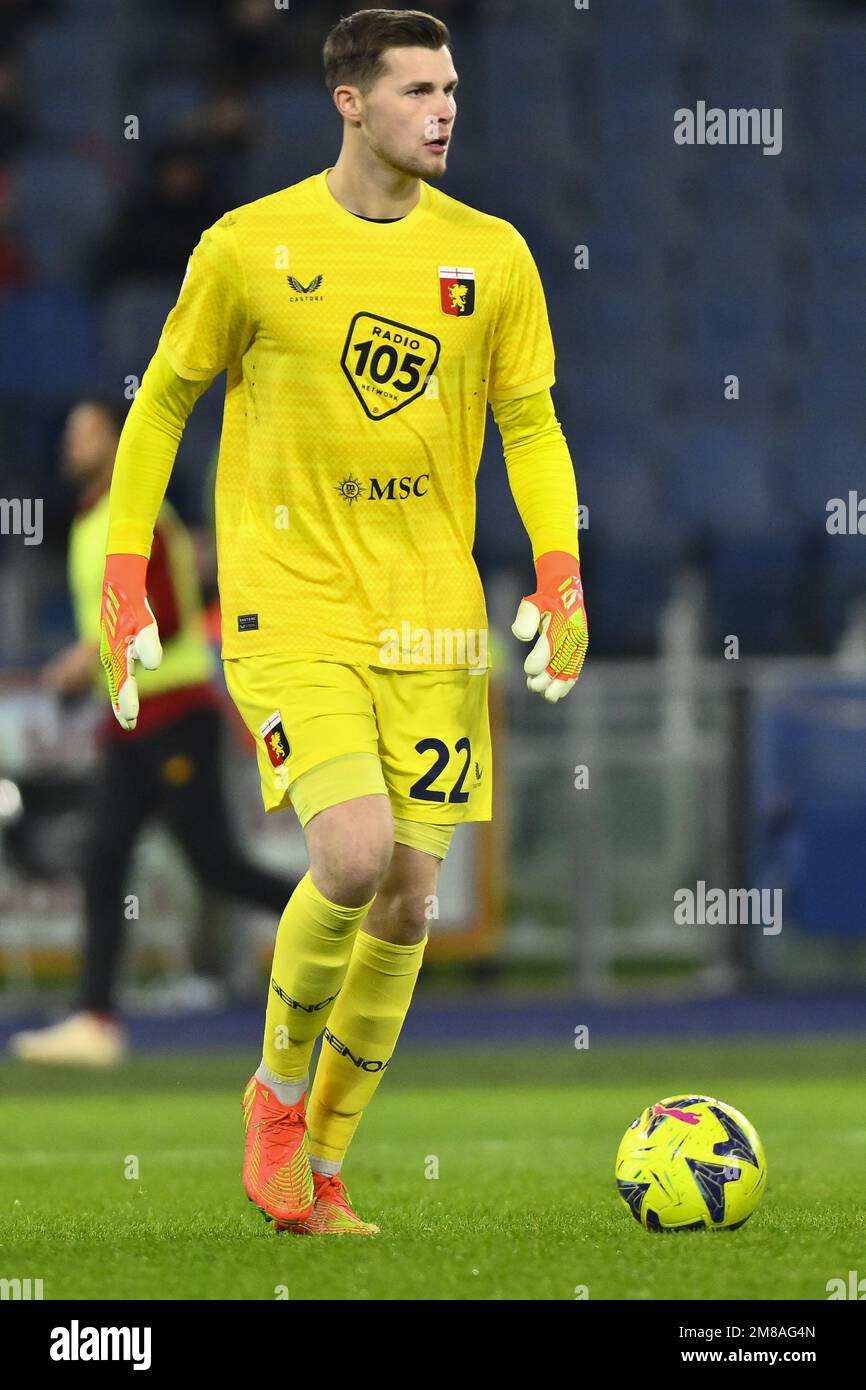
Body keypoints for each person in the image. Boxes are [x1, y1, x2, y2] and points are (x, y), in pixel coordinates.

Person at [96, 8, 588, 1233]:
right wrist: (121, 569)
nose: (444, 109)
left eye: (452, 87)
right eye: (418, 88)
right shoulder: (250, 248)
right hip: (290, 608)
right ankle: (273, 1096)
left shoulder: (496, 257)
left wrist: (558, 567)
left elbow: (527, 425)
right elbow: (158, 406)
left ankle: (318, 1164)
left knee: (411, 903)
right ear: (348, 101)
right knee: (353, 858)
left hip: (429, 617)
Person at [9, 396, 297, 1066]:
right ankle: (97, 1019)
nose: (69, 445)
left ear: (119, 442)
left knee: (216, 866)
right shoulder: (90, 523)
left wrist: (88, 658)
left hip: (174, 717)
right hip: (130, 722)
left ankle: (351, 925)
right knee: (103, 861)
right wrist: (96, 664)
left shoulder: (146, 520)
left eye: (85, 433)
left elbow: (163, 619)